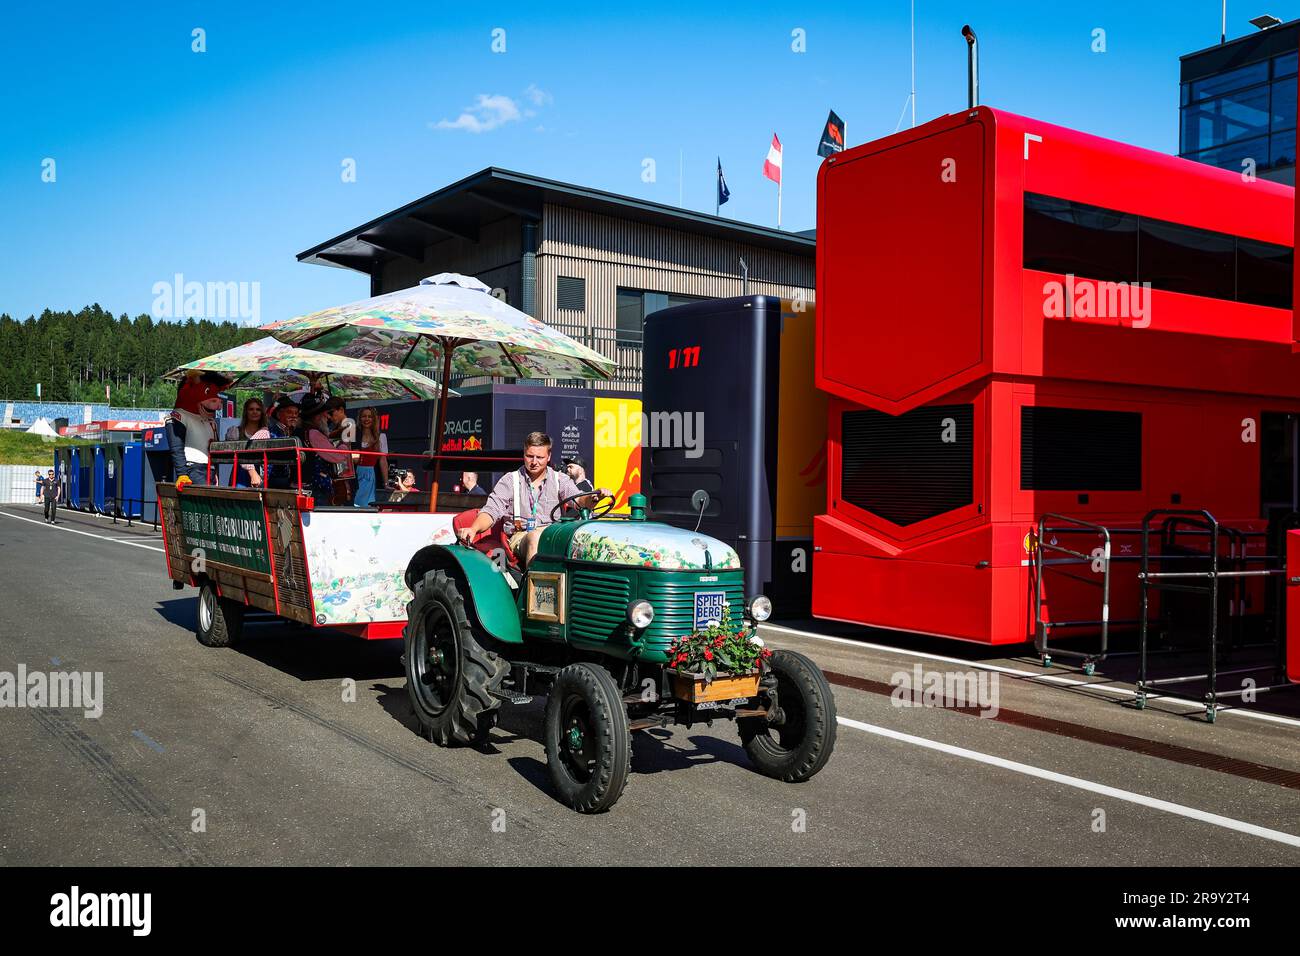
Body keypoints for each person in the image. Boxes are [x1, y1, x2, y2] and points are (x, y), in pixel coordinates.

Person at [459, 432, 609, 567]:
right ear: (524, 454)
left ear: (549, 456)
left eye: (540, 457)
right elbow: (491, 510)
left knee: (591, 542)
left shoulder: (560, 479)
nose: (534, 462)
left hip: (555, 534)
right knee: (535, 537)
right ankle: (536, 595)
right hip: (521, 536)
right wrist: (473, 529)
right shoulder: (510, 480)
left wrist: (594, 497)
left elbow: (580, 501)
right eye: (530, 456)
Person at [299, 393, 353, 504]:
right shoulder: (314, 433)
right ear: (317, 416)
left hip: (306, 485)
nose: (328, 417)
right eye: (325, 413)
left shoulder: (301, 430)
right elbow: (338, 456)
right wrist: (344, 444)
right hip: (316, 487)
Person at [224, 398, 267, 487]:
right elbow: (233, 453)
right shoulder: (235, 431)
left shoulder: (265, 432)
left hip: (260, 471)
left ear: (262, 413)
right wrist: (251, 471)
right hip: (240, 473)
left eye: (258, 409)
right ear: (246, 412)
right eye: (251, 409)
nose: (254, 412)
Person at [259, 396, 301, 489]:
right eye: (289, 412)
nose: (294, 416)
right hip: (271, 481)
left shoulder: (290, 432)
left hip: (285, 480)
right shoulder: (270, 432)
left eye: (296, 413)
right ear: (278, 414)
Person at [353, 407, 388, 507]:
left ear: (374, 419)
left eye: (370, 416)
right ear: (360, 419)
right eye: (364, 416)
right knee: (354, 503)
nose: (366, 419)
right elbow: (354, 459)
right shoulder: (355, 436)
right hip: (356, 474)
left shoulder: (380, 437)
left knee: (366, 504)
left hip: (370, 475)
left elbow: (383, 460)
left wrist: (386, 483)